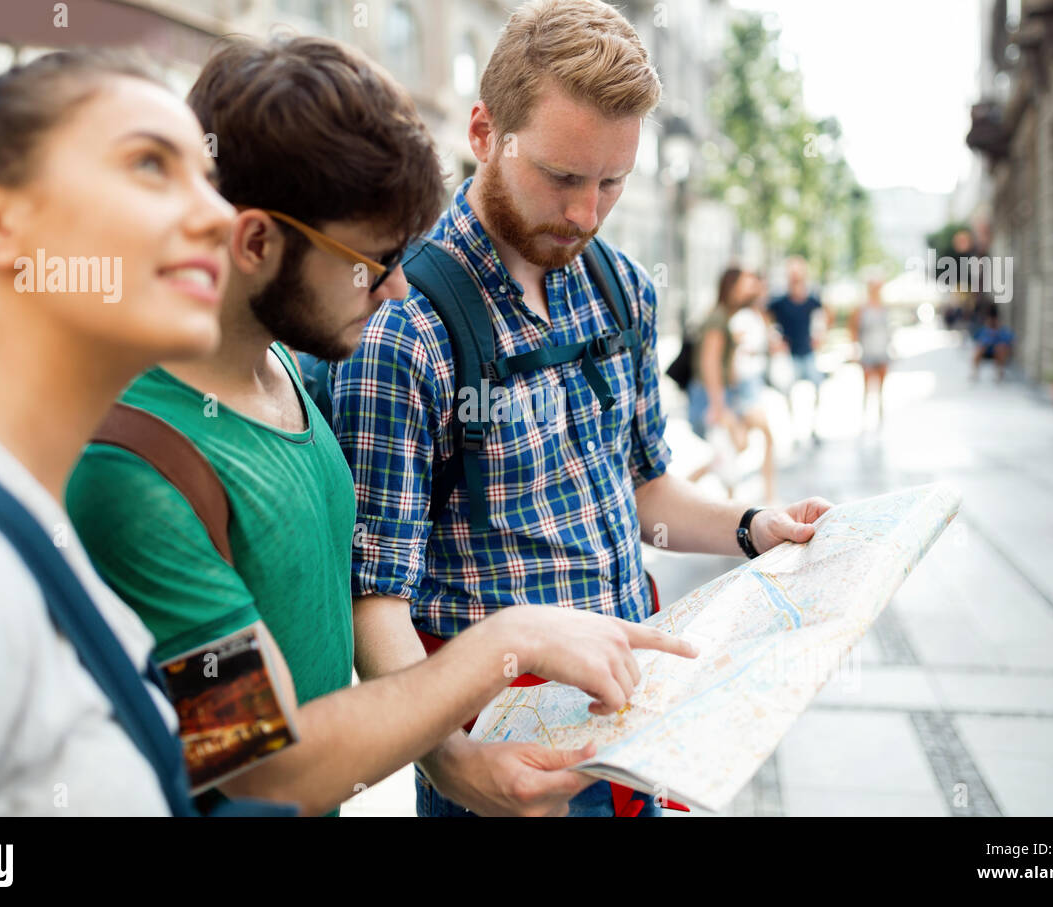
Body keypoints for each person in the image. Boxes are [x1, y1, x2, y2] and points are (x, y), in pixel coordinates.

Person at [64, 35, 694, 819]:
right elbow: (262, 765)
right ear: (256, 242)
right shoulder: (135, 472)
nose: (398, 288)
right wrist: (512, 641)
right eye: (372, 259)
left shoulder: (279, 370)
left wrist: (455, 749)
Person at [329, 0, 832, 817]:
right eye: (562, 177)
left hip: (640, 703)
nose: (585, 215)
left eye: (612, 182)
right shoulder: (404, 325)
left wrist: (751, 527)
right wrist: (453, 766)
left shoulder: (621, 286)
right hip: (503, 744)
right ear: (485, 132)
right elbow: (372, 598)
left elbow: (644, 493)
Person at [0, 54, 237, 815]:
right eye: (148, 164)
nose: (222, 216)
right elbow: (258, 751)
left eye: (208, 179)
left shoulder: (297, 422)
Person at [688, 266, 776, 502]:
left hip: (722, 394)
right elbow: (710, 363)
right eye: (745, 283)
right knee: (731, 449)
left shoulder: (726, 316)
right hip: (711, 397)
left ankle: (725, 502)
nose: (751, 288)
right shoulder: (718, 319)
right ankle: (687, 493)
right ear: (732, 287)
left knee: (731, 450)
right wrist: (718, 406)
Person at [766, 255, 834, 445]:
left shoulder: (811, 298)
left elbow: (828, 313)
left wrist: (821, 336)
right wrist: (774, 339)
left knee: (817, 387)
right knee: (788, 392)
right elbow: (765, 316)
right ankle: (794, 430)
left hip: (807, 352)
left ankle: (813, 428)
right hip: (789, 356)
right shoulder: (779, 301)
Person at [849, 274, 891, 429]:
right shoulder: (861, 308)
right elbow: (853, 329)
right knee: (866, 385)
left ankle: (880, 412)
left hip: (881, 350)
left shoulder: (883, 306)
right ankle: (865, 414)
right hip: (867, 350)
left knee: (881, 385)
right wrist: (854, 349)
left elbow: (888, 330)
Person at [971, 302, 1013, 382]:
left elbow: (1009, 339)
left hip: (997, 352)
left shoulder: (1002, 330)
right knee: (979, 349)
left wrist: (997, 335)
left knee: (1000, 348)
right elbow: (976, 338)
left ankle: (1000, 373)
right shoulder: (984, 329)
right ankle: (975, 373)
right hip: (986, 351)